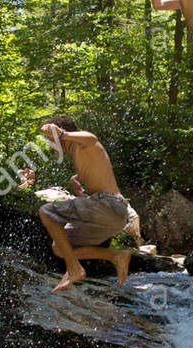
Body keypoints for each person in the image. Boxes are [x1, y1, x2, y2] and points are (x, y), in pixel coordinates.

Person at [38, 117, 139, 293]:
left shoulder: (82, 143)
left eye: (51, 140)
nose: (51, 145)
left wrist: (62, 134)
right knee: (60, 247)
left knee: (46, 212)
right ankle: (116, 256)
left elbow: (91, 138)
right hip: (111, 216)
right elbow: (98, 170)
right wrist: (78, 182)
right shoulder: (79, 154)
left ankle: (74, 269)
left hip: (111, 206)